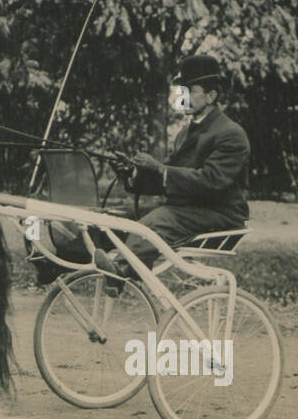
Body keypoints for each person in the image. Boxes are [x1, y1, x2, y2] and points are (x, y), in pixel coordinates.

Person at [104, 55, 250, 280]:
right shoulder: (185, 133)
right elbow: (167, 182)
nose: (183, 97)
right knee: (112, 218)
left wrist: (162, 169)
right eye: (181, 91)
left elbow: (211, 181)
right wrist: (132, 173)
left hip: (220, 213)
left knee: (156, 221)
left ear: (211, 96)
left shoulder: (231, 134)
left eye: (190, 91)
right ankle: (68, 261)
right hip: (187, 208)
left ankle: (121, 272)